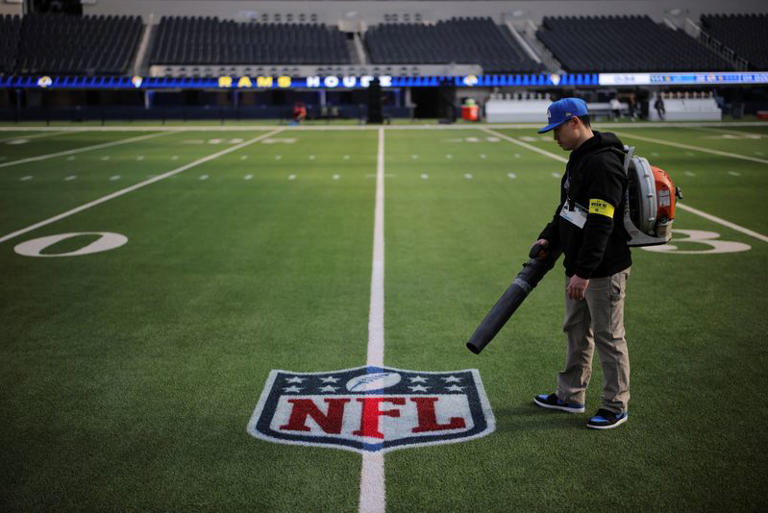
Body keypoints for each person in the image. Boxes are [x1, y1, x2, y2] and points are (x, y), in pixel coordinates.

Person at [531, 97, 632, 430]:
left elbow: (602, 223)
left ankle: (616, 405)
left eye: (557, 129)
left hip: (602, 270)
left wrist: (584, 273)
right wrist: (548, 238)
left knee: (608, 337)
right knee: (576, 331)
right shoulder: (579, 158)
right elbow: (567, 209)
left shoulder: (603, 164)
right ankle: (571, 395)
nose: (554, 137)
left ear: (575, 122)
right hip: (578, 267)